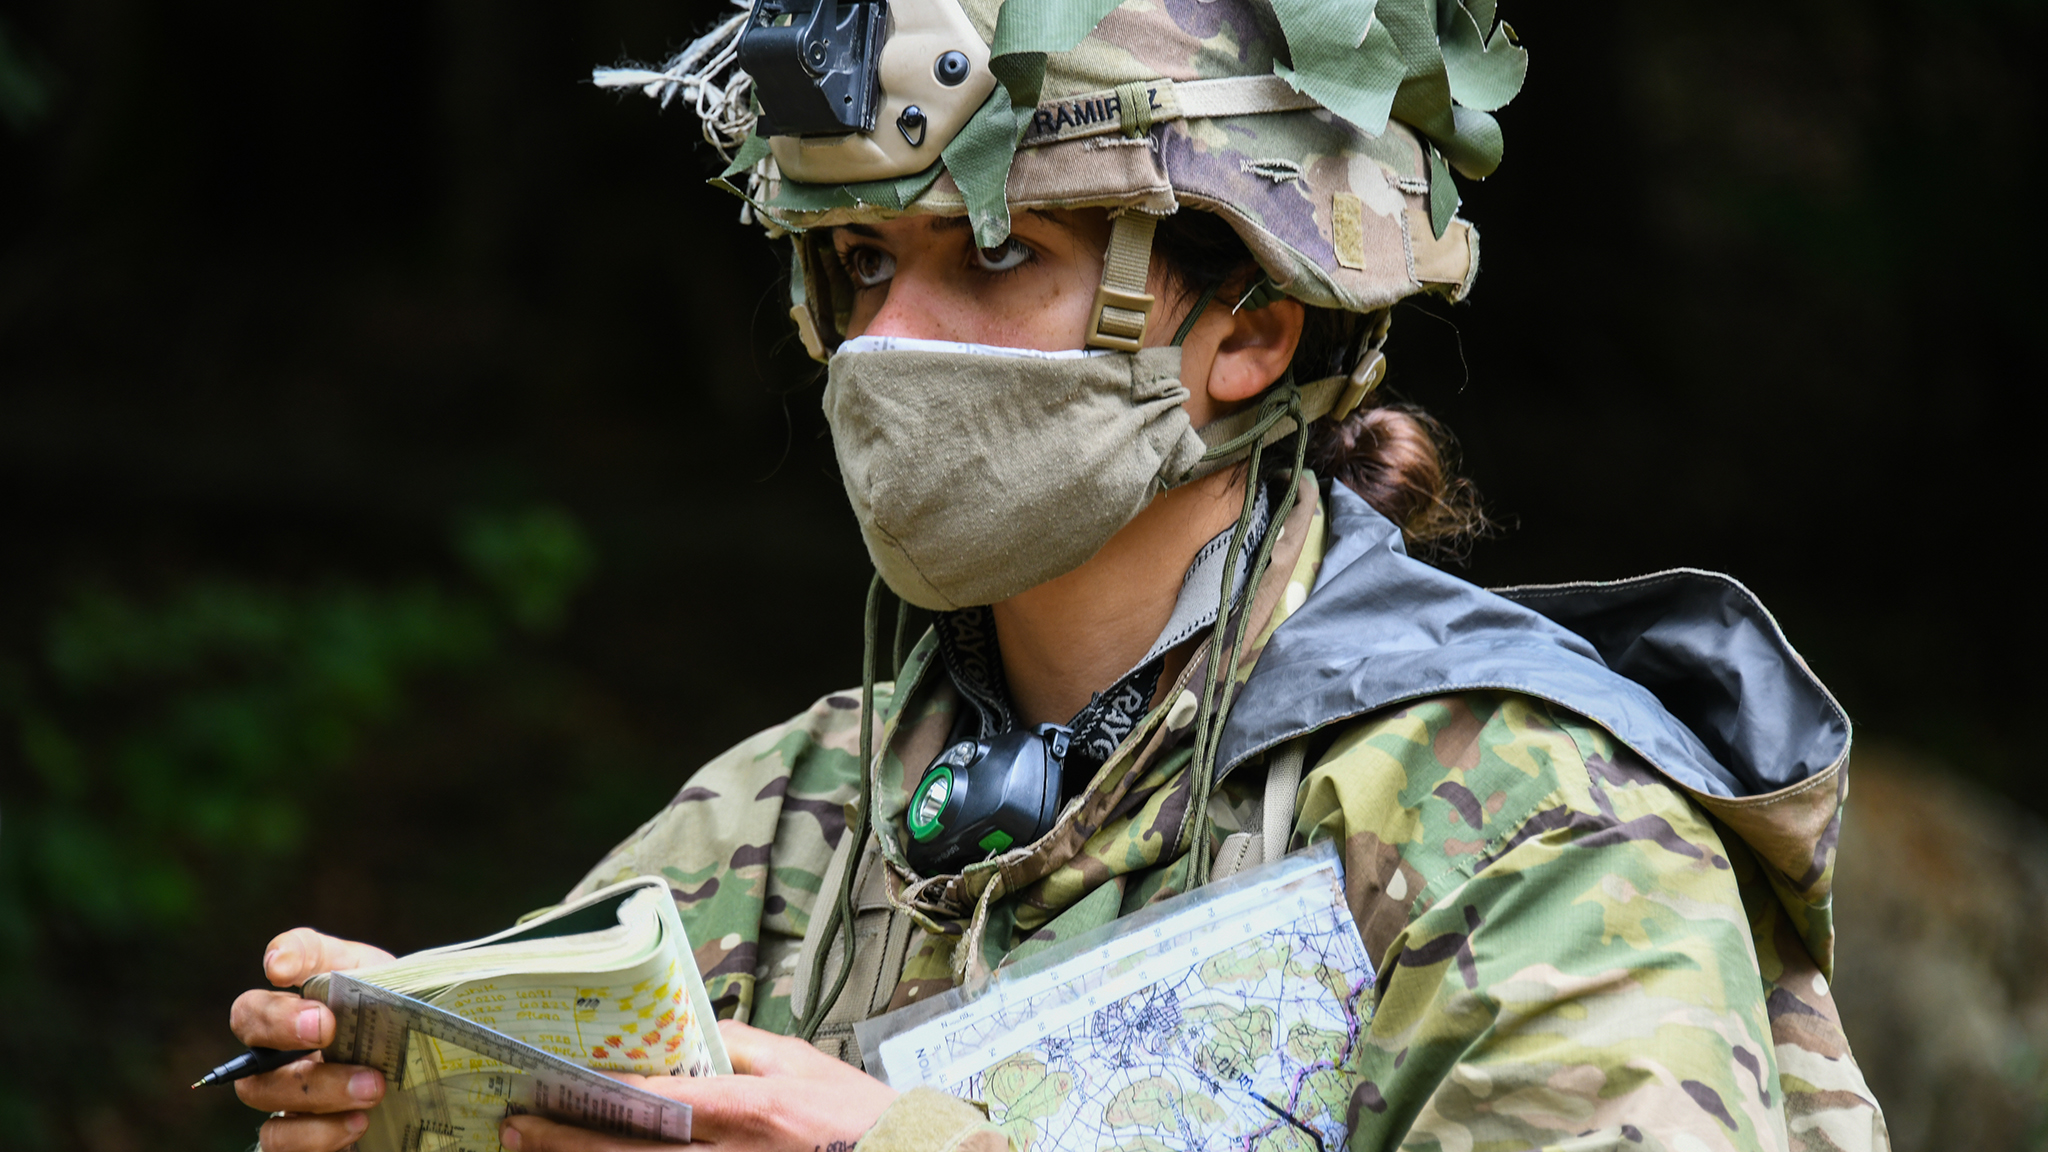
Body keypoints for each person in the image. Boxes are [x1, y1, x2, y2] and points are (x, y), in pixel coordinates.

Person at [225, 0, 1893, 1149]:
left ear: (1250, 324)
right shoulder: (796, 817)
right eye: (862, 259)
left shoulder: (1523, 818)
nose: (886, 340)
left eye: (999, 251)